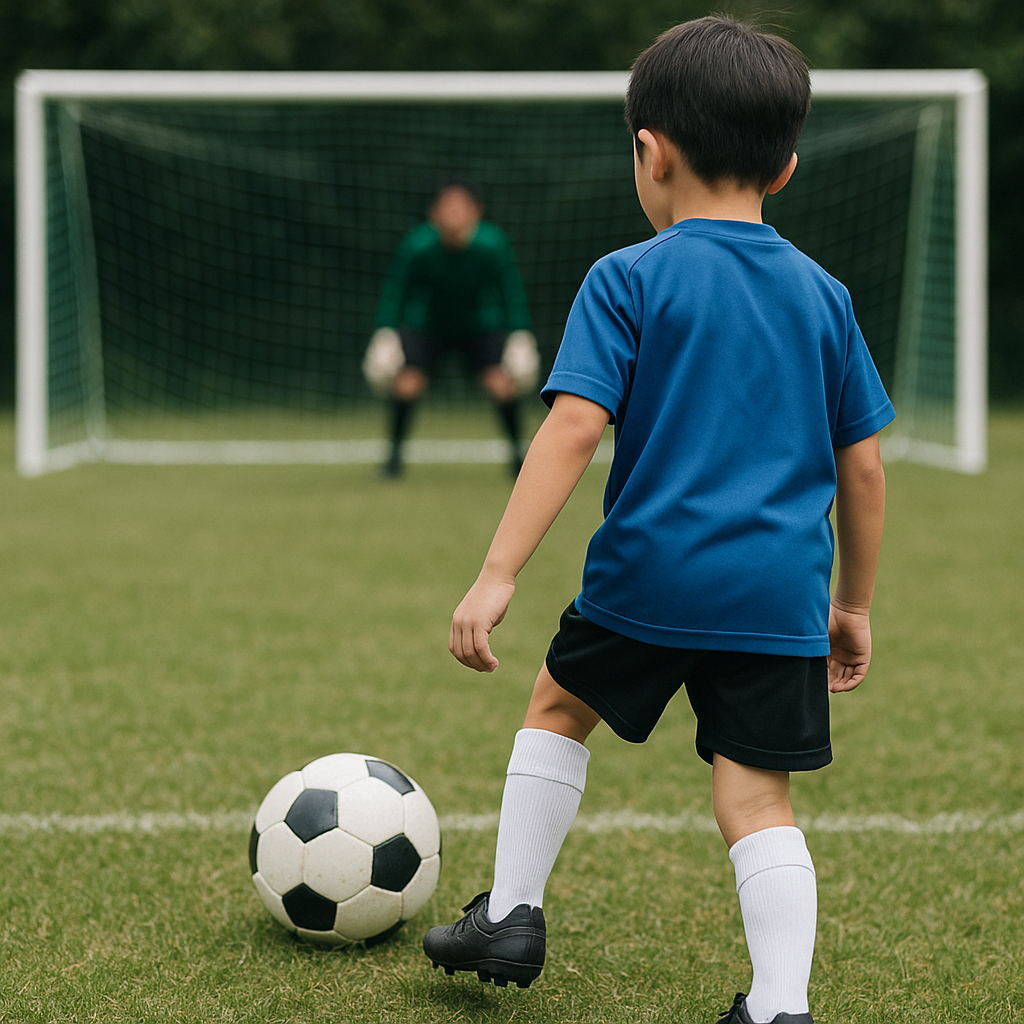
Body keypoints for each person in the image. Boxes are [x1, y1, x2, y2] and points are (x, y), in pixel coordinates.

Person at [422, 16, 894, 1024]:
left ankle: (509, 914)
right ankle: (779, 1005)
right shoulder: (826, 297)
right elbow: (862, 466)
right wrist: (849, 602)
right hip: (778, 597)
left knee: (557, 706)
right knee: (758, 801)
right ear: (788, 165)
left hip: (649, 575)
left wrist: (499, 570)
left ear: (650, 151)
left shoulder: (627, 277)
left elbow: (573, 425)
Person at [363, 177, 539, 478]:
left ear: (476, 212)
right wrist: (386, 332)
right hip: (428, 326)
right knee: (407, 384)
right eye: (447, 207)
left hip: (478, 326)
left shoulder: (492, 245)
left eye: (461, 207)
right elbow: (396, 290)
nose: (454, 215)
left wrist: (520, 334)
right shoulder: (418, 246)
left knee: (501, 384)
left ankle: (517, 459)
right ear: (434, 213)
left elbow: (510, 291)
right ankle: (392, 460)